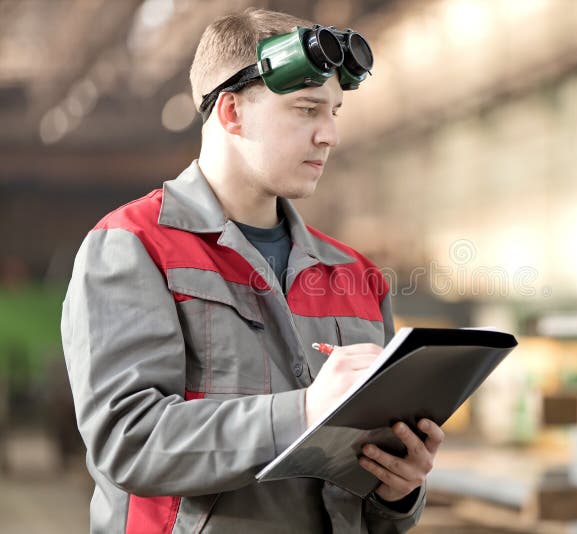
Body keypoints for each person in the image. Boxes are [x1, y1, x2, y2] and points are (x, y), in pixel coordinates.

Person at [61, 8, 443, 533]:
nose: (330, 134)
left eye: (334, 111)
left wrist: (398, 491)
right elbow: (128, 442)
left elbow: (365, 495)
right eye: (307, 109)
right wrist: (302, 412)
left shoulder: (355, 275)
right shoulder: (134, 247)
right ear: (232, 112)